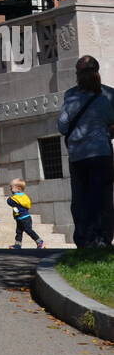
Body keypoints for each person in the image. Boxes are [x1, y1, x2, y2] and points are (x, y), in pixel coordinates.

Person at [57, 56, 114, 249]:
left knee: (80, 198)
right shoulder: (108, 95)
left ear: (78, 75)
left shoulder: (71, 96)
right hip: (102, 154)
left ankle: (84, 239)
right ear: (97, 72)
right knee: (103, 197)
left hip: (78, 155)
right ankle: (103, 239)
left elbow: (62, 126)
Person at [6, 180, 44, 251]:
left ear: (18, 188)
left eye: (11, 187)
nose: (10, 189)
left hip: (24, 218)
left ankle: (39, 241)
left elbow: (9, 201)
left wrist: (10, 199)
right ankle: (17, 245)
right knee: (18, 232)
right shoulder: (23, 197)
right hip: (19, 218)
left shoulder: (16, 198)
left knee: (28, 230)